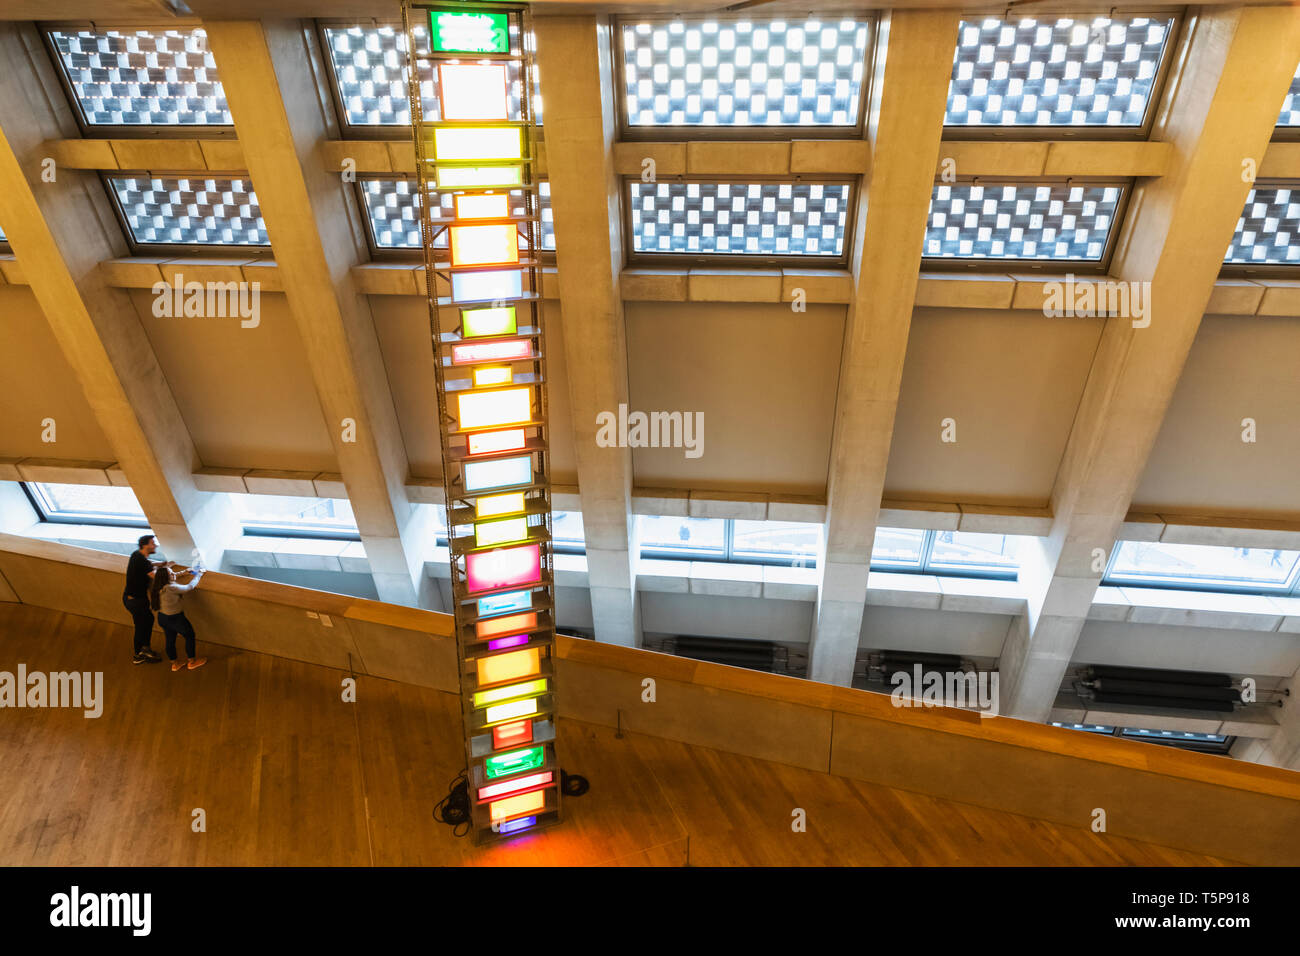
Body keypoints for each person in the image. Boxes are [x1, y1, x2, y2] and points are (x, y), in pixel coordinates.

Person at [149, 564, 208, 672]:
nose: (173, 573)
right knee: (190, 635)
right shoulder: (171, 587)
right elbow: (189, 587)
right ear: (166, 577)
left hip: (162, 617)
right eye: (171, 573)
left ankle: (175, 664)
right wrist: (199, 574)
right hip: (176, 618)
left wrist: (185, 571)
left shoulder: (158, 585)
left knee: (170, 640)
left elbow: (174, 575)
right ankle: (192, 662)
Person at [123, 534, 161, 664]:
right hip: (136, 601)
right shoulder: (143, 561)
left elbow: (147, 567)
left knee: (147, 621)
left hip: (131, 598)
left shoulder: (136, 555)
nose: (155, 545)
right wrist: (172, 574)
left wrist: (160, 565)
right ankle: (139, 655)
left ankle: (144, 649)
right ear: (145, 545)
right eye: (152, 543)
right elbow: (156, 577)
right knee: (141, 625)